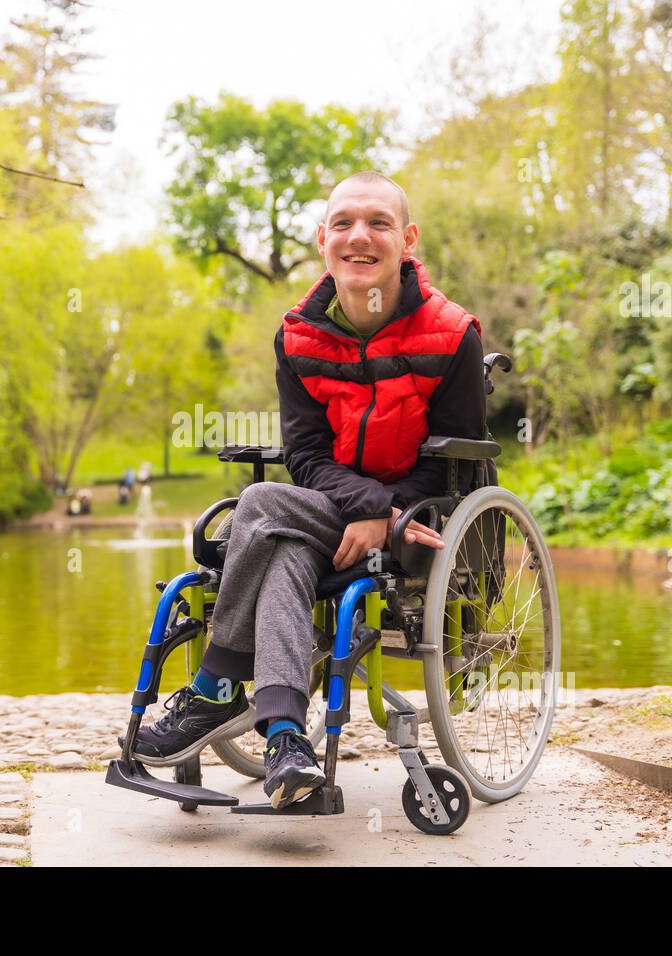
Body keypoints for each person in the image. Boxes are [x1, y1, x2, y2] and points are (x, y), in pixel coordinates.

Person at [132, 171, 490, 809]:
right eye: (345, 224)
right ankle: (287, 742)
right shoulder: (298, 335)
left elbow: (453, 461)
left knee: (260, 507)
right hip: (330, 516)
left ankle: (215, 688)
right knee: (283, 549)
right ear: (323, 238)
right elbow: (305, 455)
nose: (361, 236)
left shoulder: (453, 333)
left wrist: (389, 514)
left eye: (379, 223)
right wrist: (365, 507)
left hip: (420, 525)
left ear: (407, 240)